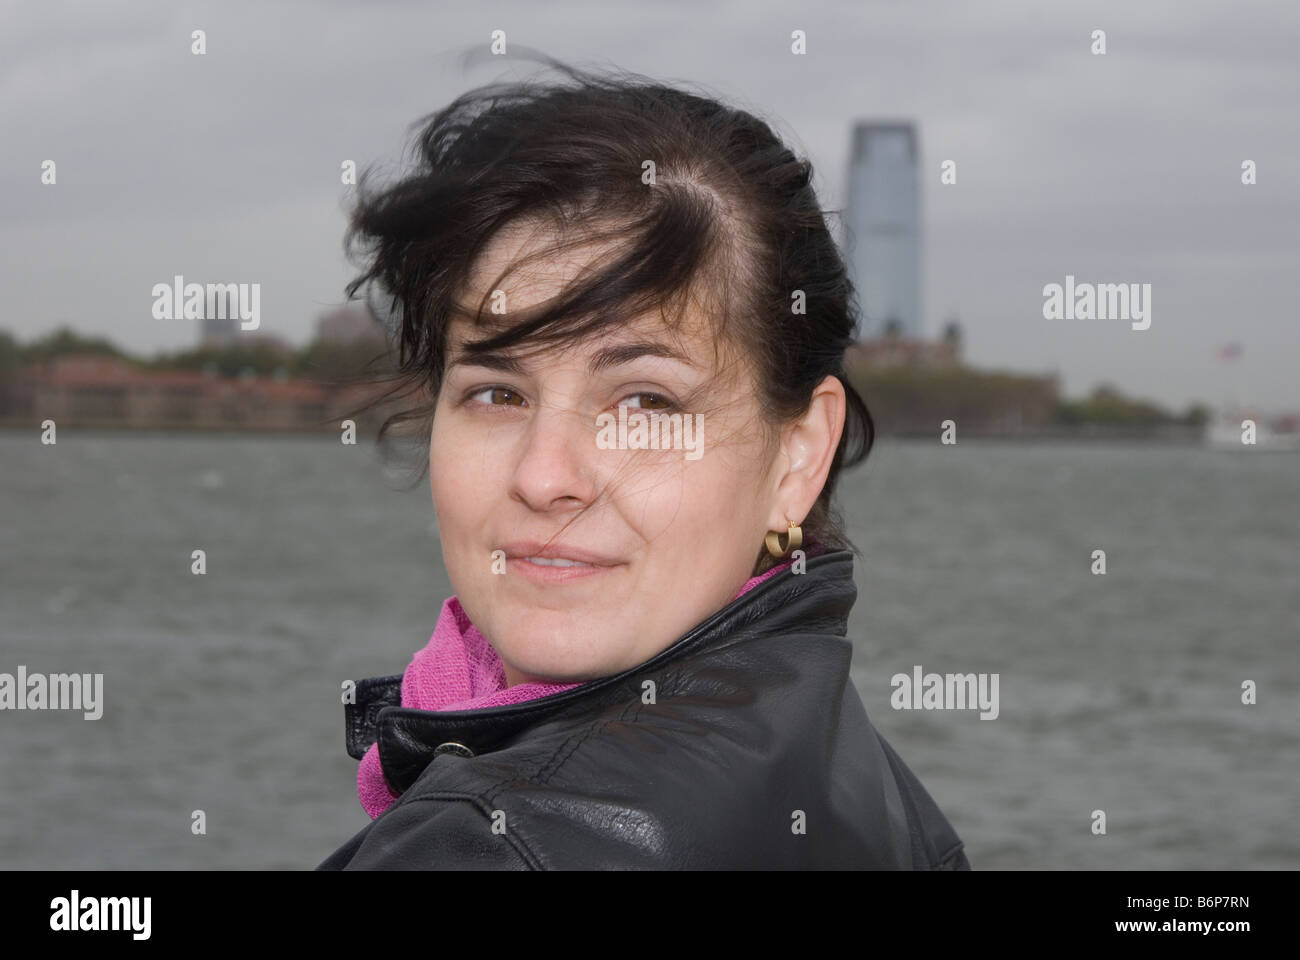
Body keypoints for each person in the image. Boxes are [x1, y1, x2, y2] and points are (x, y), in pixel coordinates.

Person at [317, 61, 969, 870]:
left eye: (647, 404)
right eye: (496, 394)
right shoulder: (875, 793)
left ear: (798, 455)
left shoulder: (492, 846)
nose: (545, 475)